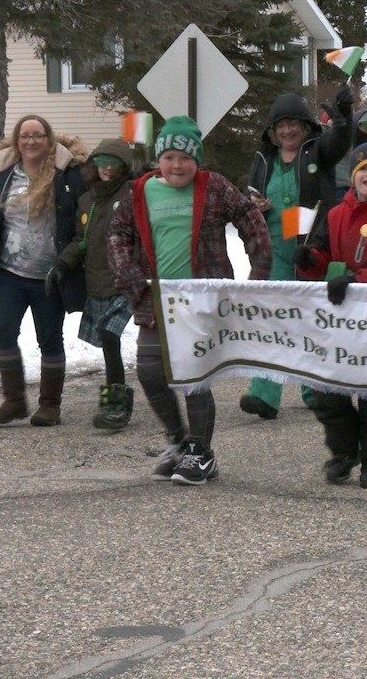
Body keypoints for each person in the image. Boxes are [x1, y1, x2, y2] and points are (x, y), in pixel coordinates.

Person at [108, 116, 273, 485]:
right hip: (156, 299)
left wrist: (257, 273)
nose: (177, 165)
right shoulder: (140, 190)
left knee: (193, 376)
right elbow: (118, 234)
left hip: (201, 299)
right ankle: (179, 442)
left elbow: (250, 220)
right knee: (150, 372)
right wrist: (132, 279)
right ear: (158, 159)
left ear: (196, 160)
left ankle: (202, 452)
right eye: (168, 157)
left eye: (185, 158)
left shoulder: (214, 187)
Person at [294, 142, 367, 489]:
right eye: (363, 169)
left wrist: (356, 281)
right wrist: (310, 261)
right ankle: (343, 452)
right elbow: (321, 256)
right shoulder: (334, 216)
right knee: (328, 393)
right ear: (354, 177)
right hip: (335, 321)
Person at [0, 115, 88, 427]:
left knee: (49, 337)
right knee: (3, 330)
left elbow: (81, 219)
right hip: (8, 273)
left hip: (50, 275)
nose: (31, 141)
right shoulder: (4, 175)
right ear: (16, 142)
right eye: (25, 136)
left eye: (39, 135)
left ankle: (50, 405)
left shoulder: (66, 175)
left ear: (50, 140)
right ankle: (14, 400)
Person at [239, 86, 354, 421]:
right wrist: (258, 204)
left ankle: (314, 389)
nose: (287, 130)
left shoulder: (318, 152)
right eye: (280, 125)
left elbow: (340, 142)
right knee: (273, 320)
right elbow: (252, 198)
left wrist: (343, 118)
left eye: (293, 123)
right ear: (272, 131)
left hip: (310, 251)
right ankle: (264, 393)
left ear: (305, 126)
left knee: (310, 321)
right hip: (274, 250)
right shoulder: (264, 161)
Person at [54, 138, 140, 431]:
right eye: (100, 163)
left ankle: (117, 402)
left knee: (110, 334)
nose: (105, 169)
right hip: (97, 282)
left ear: (123, 167)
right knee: (107, 342)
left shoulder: (133, 195)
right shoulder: (87, 200)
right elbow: (82, 240)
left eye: (112, 163)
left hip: (127, 282)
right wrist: (62, 264)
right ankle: (111, 399)